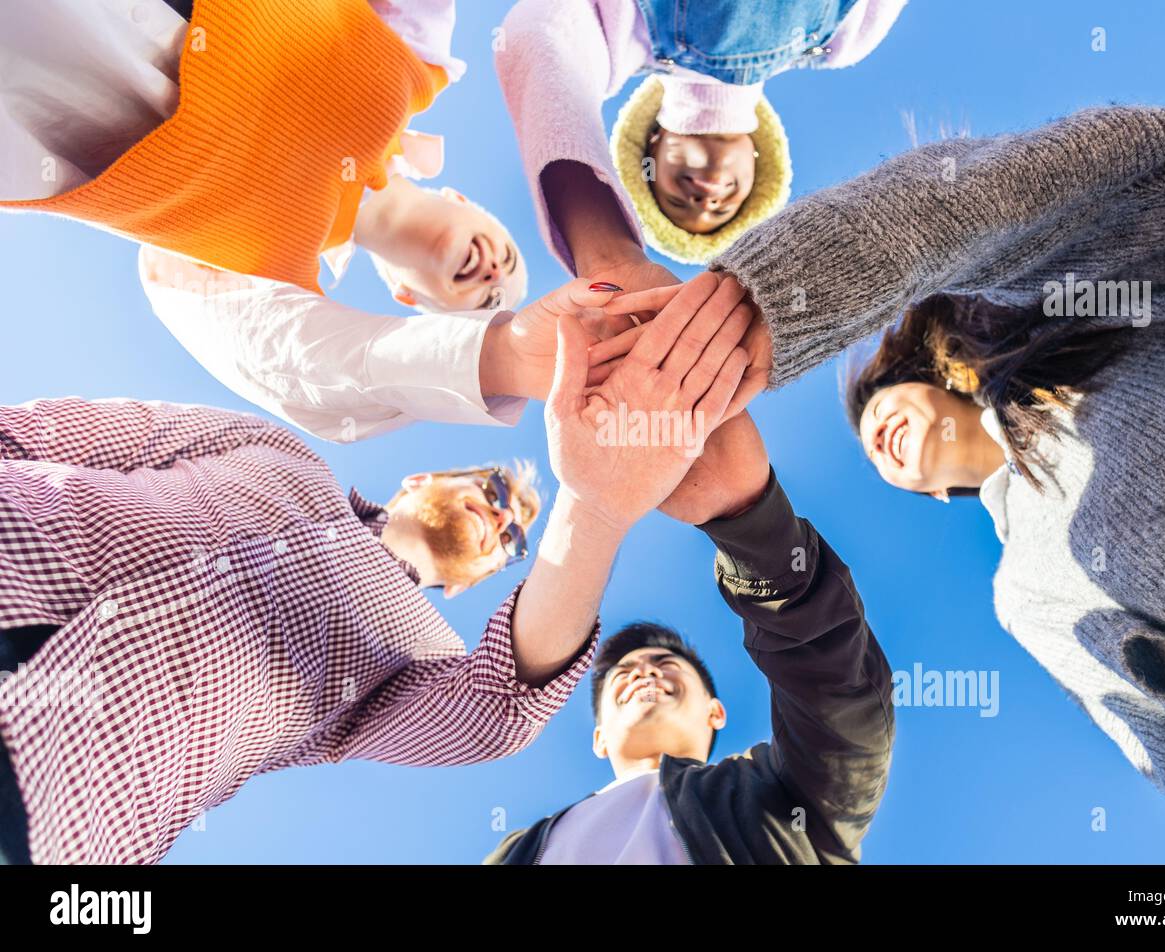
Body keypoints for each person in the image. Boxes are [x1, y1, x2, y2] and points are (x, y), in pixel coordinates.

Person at [601, 78, 1165, 862]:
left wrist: (755, 311)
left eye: (879, 410)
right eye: (873, 457)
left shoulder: (1074, 312)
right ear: (932, 493)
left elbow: (1029, 194)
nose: (880, 440)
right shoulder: (1028, 592)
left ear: (932, 376)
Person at [0, 269, 751, 865]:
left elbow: (495, 707)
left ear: (469, 583)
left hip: (52, 806)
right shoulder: (282, 453)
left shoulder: (421, 658)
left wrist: (592, 506)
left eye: (512, 535)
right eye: (493, 491)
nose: (499, 517)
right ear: (417, 479)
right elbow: (41, 433)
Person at [0, 0, 613, 442]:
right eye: (508, 257)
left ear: (410, 297)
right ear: (463, 199)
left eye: (488, 302)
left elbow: (290, 363)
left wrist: (502, 356)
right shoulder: (418, 62)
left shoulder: (248, 276)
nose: (493, 277)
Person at [485, 412, 895, 864]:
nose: (643, 671)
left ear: (714, 712)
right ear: (598, 738)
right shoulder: (516, 851)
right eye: (623, 672)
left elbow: (837, 698)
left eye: (665, 665)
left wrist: (751, 522)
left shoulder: (780, 799)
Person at [494, 0, 907, 279]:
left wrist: (607, 259)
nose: (706, 203)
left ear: (651, 147)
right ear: (758, 169)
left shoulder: (621, 37)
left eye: (678, 202)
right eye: (724, 209)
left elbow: (537, 37)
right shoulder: (845, 40)